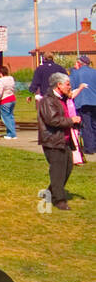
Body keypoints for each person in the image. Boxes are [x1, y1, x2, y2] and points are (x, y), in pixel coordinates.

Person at [37, 71, 83, 210]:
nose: (70, 87)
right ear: (59, 85)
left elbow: (65, 116)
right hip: (52, 141)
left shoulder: (62, 99)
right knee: (58, 171)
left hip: (65, 140)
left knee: (67, 168)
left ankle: (50, 193)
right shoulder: (48, 100)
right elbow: (52, 120)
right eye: (68, 84)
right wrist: (71, 120)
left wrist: (75, 122)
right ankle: (59, 200)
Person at [70, 55, 96, 155]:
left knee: (86, 125)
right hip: (94, 101)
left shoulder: (75, 73)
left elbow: (71, 87)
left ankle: (89, 148)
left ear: (79, 63)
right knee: (94, 124)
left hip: (83, 102)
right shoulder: (94, 72)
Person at [0, 64, 17, 139]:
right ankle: (11, 132)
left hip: (4, 100)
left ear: (0, 73)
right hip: (12, 98)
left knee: (5, 117)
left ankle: (11, 134)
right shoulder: (11, 78)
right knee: (11, 116)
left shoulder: (0, 80)